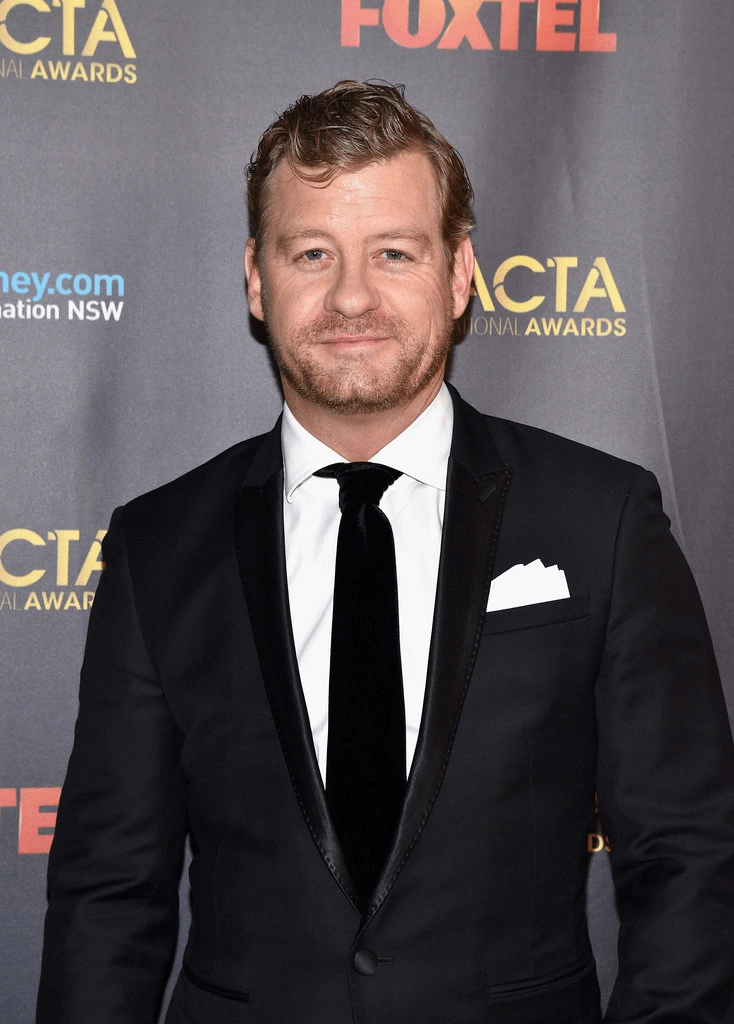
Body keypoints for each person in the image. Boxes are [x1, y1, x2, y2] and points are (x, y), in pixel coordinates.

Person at [37, 81, 734, 1024]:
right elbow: (109, 894)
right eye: (312, 253)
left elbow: (688, 857)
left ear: (459, 274)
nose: (352, 295)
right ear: (256, 279)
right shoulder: (158, 545)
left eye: (394, 252)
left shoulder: (600, 518)